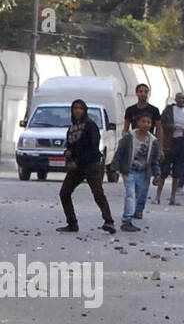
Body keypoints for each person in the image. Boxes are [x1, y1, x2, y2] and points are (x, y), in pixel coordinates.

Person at [56, 98, 116, 234]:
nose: (77, 111)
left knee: (98, 194)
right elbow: (70, 146)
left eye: (80, 108)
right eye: (75, 108)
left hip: (91, 165)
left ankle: (109, 221)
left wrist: (77, 162)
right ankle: (72, 223)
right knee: (64, 193)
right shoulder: (72, 129)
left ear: (84, 110)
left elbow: (93, 148)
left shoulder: (90, 126)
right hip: (76, 167)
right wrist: (68, 155)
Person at [111, 111, 162, 232]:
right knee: (131, 194)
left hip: (144, 173)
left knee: (139, 195)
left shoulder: (152, 141)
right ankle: (127, 220)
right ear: (137, 123)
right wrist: (115, 168)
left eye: (148, 122)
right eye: (143, 121)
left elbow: (154, 160)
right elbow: (119, 153)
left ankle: (134, 213)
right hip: (129, 171)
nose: (146, 124)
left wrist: (157, 174)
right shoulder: (129, 137)